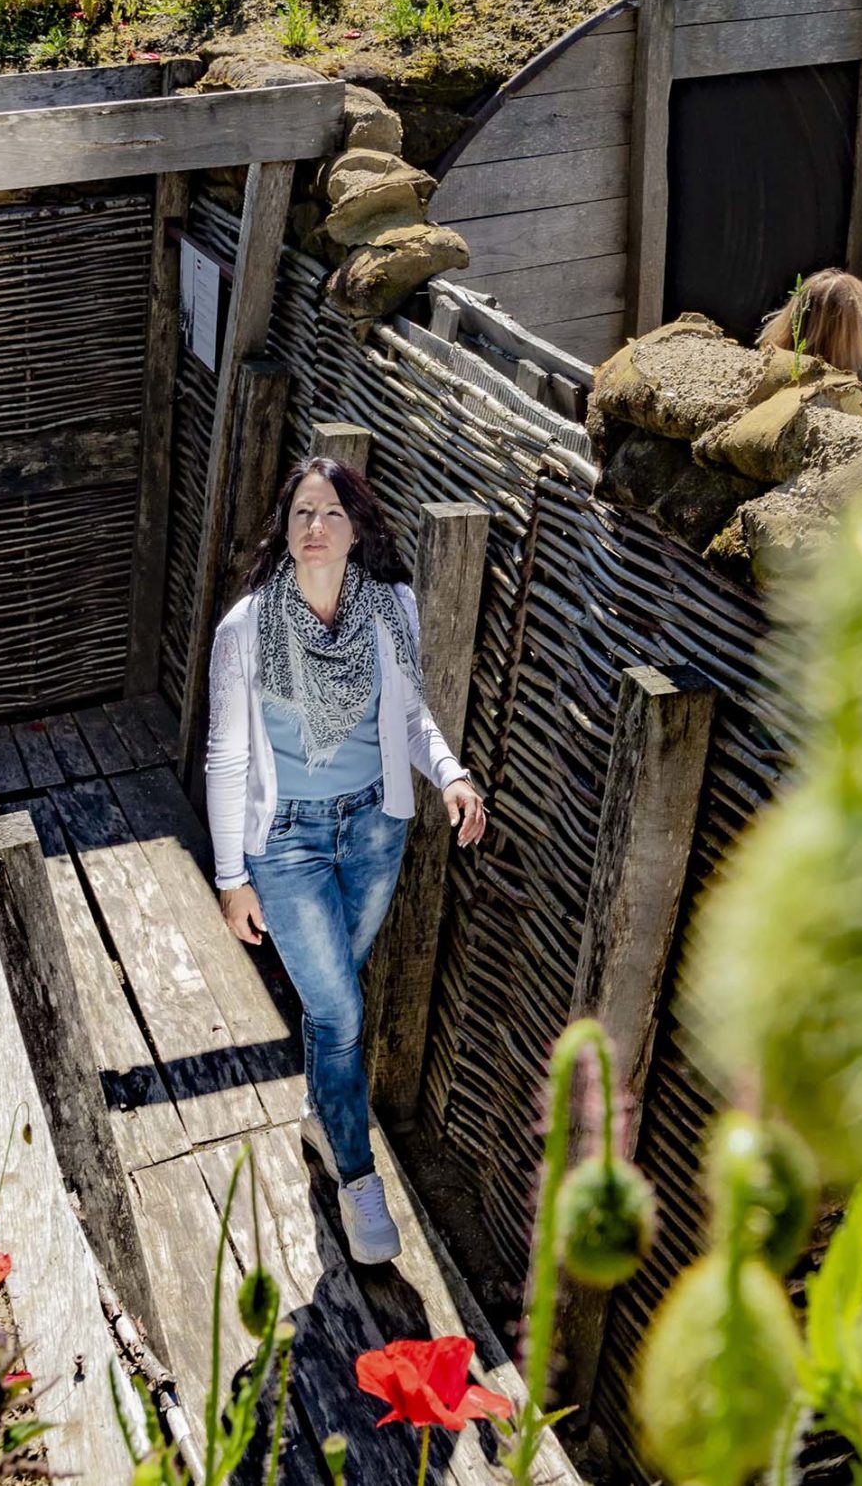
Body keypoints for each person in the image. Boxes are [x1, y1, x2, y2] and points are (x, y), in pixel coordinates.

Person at [203, 456, 487, 1265]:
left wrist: (452, 776)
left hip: (374, 828)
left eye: (331, 512)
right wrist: (231, 877)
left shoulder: (390, 607)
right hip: (284, 840)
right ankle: (358, 1177)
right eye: (301, 514)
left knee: (334, 1009)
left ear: (355, 528)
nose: (316, 526)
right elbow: (225, 757)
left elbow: (407, 718)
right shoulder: (247, 629)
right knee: (341, 1012)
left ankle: (321, 1119)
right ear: (285, 535)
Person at [755, 267, 862, 419]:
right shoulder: (845, 393)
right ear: (847, 335)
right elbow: (854, 441)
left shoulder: (766, 364)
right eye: (859, 320)